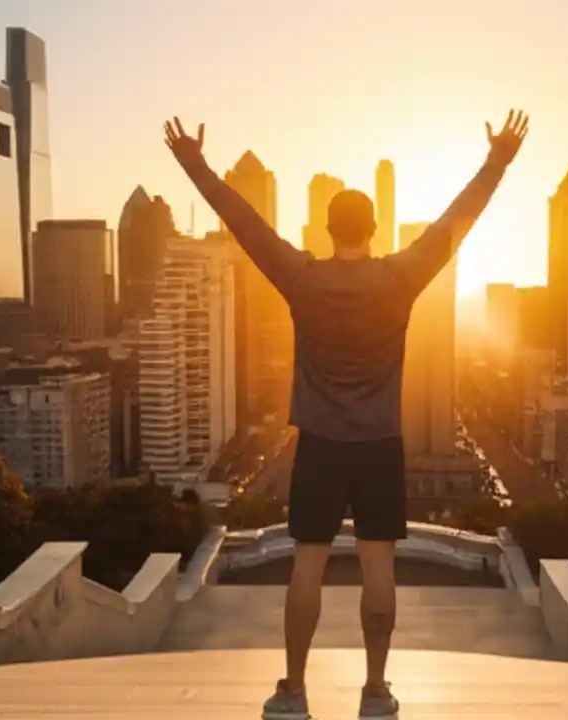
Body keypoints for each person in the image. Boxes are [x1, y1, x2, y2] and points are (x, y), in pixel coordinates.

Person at [164, 109, 528, 720]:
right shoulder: (400, 276)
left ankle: (294, 692)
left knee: (307, 561)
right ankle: (377, 692)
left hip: (320, 445)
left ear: (330, 229)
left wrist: (193, 162)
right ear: (374, 227)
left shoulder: (302, 276)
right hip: (380, 443)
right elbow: (455, 224)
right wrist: (499, 159)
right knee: (378, 565)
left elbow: (244, 223)